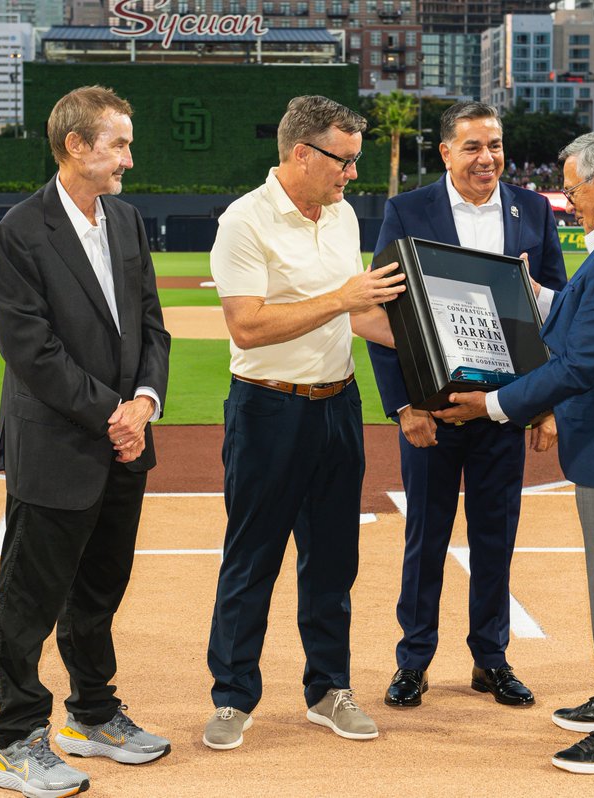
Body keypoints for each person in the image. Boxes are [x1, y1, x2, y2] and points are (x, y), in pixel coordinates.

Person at [432, 128, 594, 774]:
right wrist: (530, 292)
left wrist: (492, 405)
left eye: (574, 189)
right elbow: (584, 316)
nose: (567, 201)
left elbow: (579, 363)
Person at [0, 85, 172, 797]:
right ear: (76, 146)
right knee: (28, 599)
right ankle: (14, 739)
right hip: (60, 445)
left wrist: (145, 403)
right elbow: (31, 352)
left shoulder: (124, 221)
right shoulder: (21, 231)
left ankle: (91, 714)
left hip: (124, 443)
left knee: (100, 588)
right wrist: (113, 414)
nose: (129, 155)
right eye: (118, 143)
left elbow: (153, 324)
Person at [203, 95, 404, 750]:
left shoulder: (341, 217)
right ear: (302, 154)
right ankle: (232, 698)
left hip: (338, 406)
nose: (352, 176)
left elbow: (358, 317)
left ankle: (328, 689)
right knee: (252, 557)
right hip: (267, 407)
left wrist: (447, 353)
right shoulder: (244, 222)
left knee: (333, 560)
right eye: (345, 162)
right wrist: (343, 298)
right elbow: (248, 325)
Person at [366, 102, 567, 710]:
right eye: (473, 146)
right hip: (432, 408)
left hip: (504, 408)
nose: (488, 158)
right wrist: (404, 406)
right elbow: (383, 311)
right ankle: (414, 661)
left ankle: (491, 658)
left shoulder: (531, 210)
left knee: (495, 535)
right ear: (446, 152)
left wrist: (545, 404)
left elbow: (557, 316)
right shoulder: (408, 210)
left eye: (496, 146)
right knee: (426, 536)